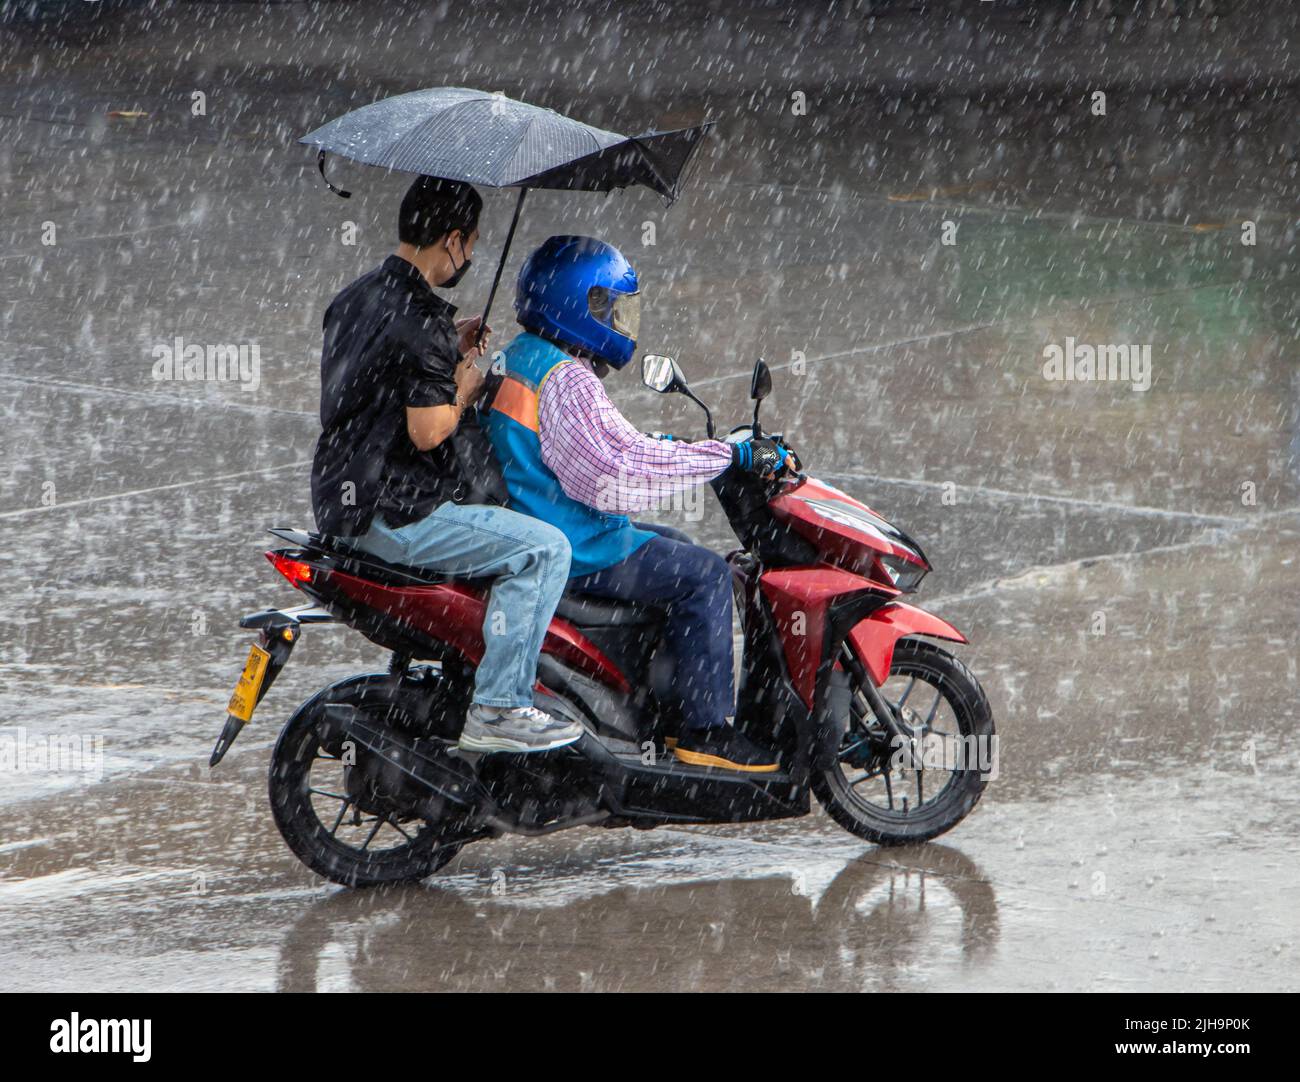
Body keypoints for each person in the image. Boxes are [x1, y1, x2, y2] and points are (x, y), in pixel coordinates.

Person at [483, 235, 789, 772]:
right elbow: (611, 475)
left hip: (541, 516)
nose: (621, 322)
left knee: (680, 546)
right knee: (706, 575)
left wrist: (673, 450)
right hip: (573, 541)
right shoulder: (565, 377)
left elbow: (599, 447)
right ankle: (704, 731)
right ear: (582, 304)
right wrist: (727, 455)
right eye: (611, 308)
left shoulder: (521, 356)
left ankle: (657, 709)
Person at [311, 177, 582, 755]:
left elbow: (375, 379)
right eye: (473, 243)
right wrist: (464, 385)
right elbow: (428, 430)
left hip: (341, 496)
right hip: (395, 511)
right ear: (454, 241)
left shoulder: (357, 296)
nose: (472, 256)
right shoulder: (421, 318)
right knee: (546, 549)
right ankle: (500, 706)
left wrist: (445, 350)